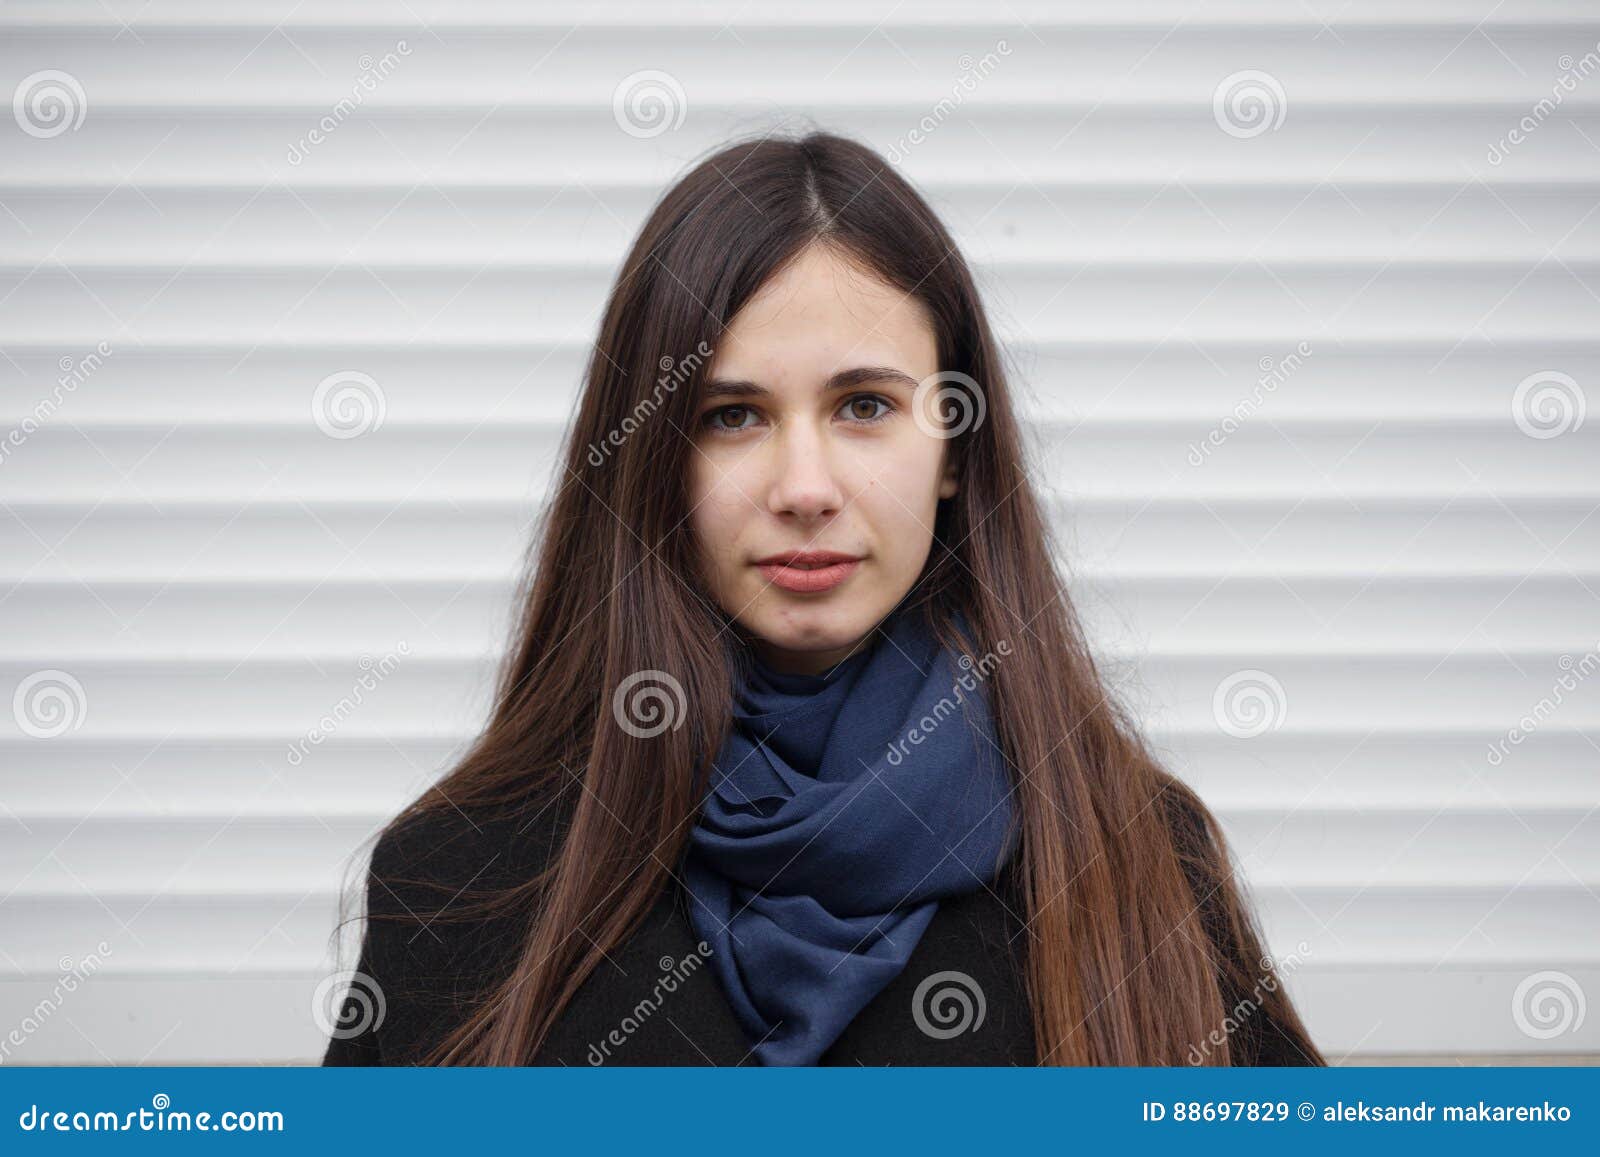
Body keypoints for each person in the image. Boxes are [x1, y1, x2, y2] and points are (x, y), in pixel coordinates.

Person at [321, 129, 1324, 1068]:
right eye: (731, 415)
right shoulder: (460, 876)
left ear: (954, 447)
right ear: (652, 460)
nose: (805, 488)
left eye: (865, 406)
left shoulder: (1140, 853)